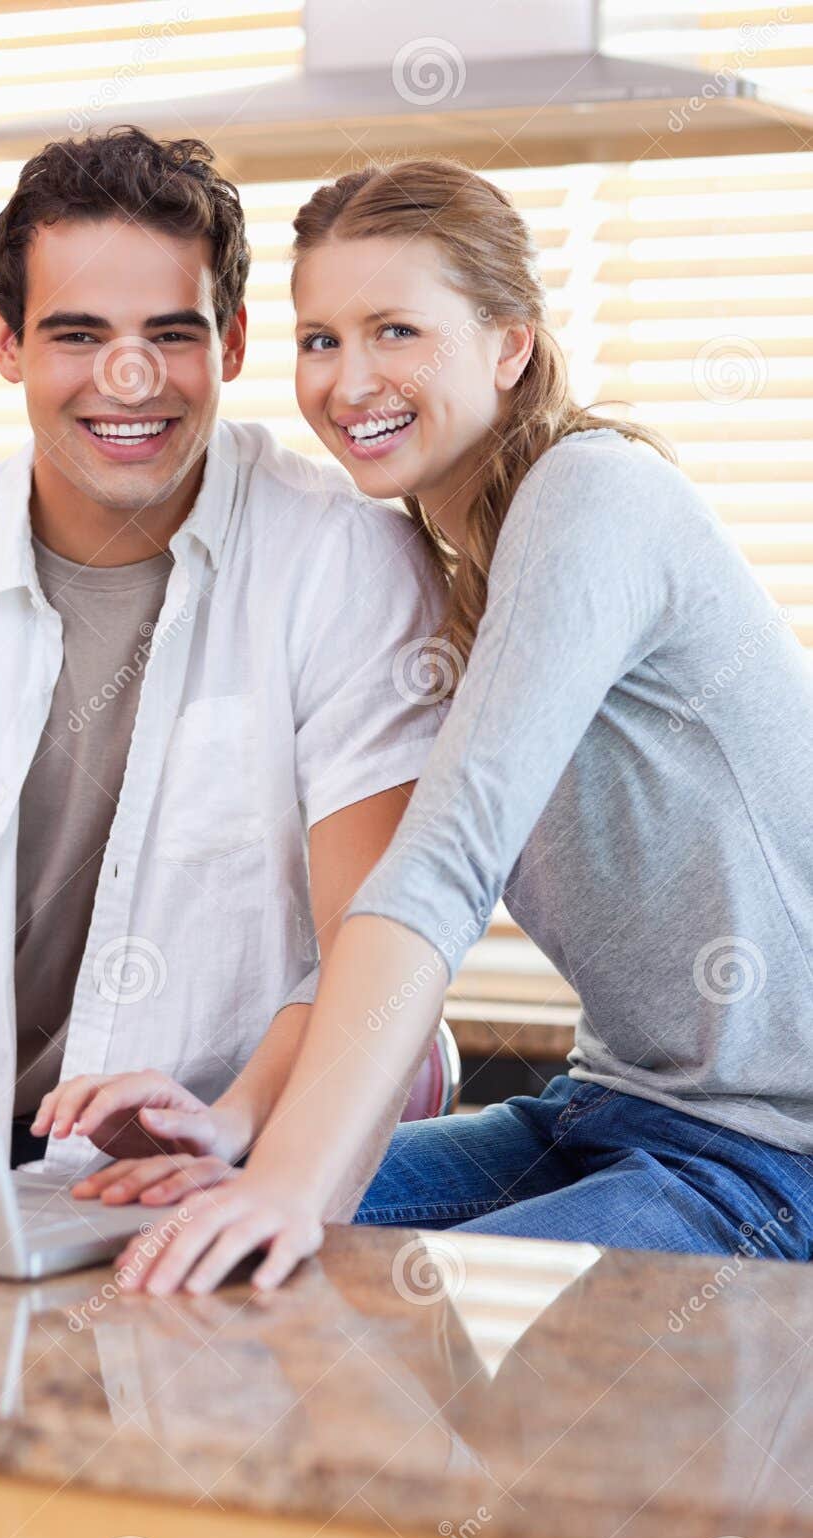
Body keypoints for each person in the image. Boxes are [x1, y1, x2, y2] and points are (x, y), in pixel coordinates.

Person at [102, 155, 813, 1294]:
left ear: (508, 344)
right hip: (608, 1106)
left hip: (777, 1155)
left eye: (395, 330)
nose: (347, 380)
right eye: (320, 338)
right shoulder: (434, 576)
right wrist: (239, 1126)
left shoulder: (594, 496)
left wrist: (291, 1182)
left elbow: (438, 872)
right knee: (166, 1243)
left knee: (376, 1309)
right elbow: (371, 911)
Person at [0, 130, 448, 1173]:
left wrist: (232, 1126)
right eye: (77, 334)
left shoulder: (347, 566)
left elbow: (376, 950)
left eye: (169, 334)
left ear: (230, 344)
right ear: (6, 344)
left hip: (249, 1163)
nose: (126, 381)